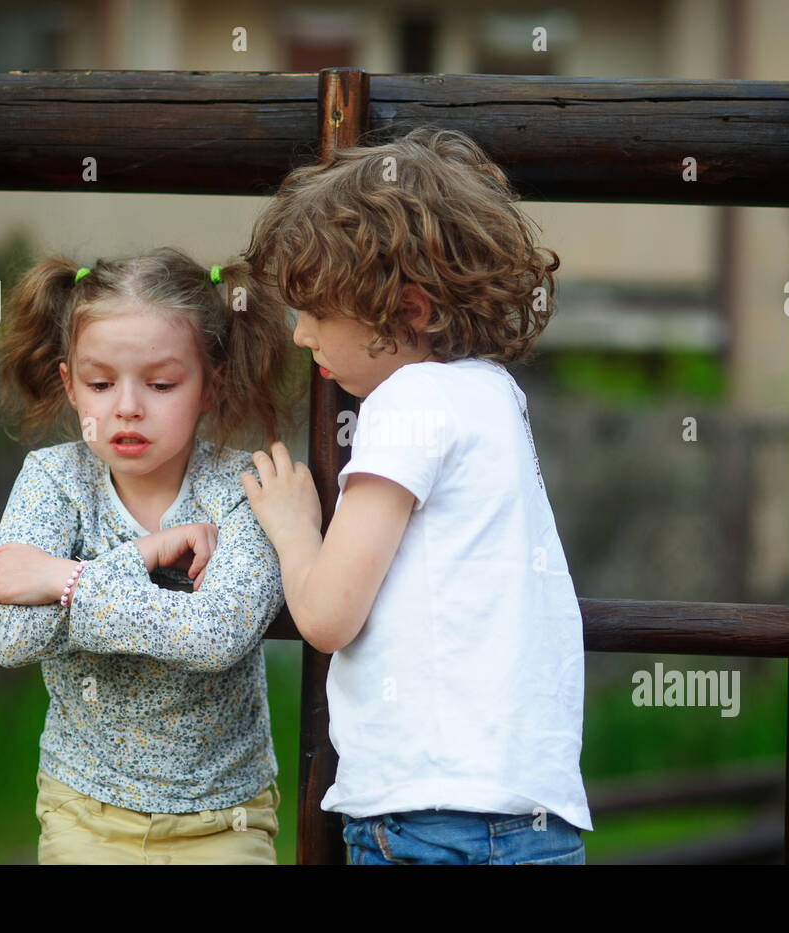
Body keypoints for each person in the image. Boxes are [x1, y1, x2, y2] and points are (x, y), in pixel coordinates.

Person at [239, 127, 592, 864]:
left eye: (317, 309)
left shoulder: (407, 402)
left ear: (411, 310)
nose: (300, 334)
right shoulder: (497, 397)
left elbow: (329, 614)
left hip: (427, 818)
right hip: (536, 817)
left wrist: (295, 527)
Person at [0, 248, 302, 863]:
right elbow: (11, 635)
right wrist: (140, 557)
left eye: (161, 384)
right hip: (82, 809)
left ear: (211, 384)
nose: (127, 406)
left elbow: (216, 636)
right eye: (100, 383)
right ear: (70, 385)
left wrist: (62, 582)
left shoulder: (243, 491)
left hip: (224, 815)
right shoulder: (54, 480)